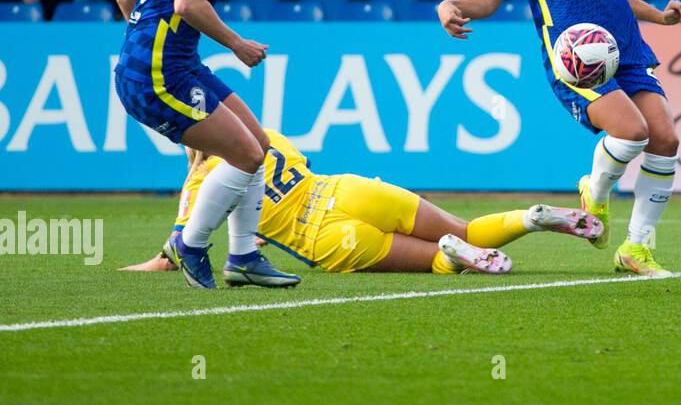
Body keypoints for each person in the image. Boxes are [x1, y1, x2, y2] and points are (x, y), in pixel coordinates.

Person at [437, 0, 681, 277]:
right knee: (632, 133)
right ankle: (594, 191)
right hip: (577, 57)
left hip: (625, 51)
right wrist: (450, 5)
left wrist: (660, 17)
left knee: (666, 139)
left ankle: (636, 248)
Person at [114, 0, 297, 290]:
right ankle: (189, 246)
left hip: (169, 66)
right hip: (160, 76)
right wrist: (238, 45)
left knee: (259, 146)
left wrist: (149, 44)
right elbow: (187, 5)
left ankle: (244, 258)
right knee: (248, 157)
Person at [121, 129, 603, 278]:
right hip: (345, 189)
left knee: (438, 258)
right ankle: (533, 217)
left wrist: (134, 269)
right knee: (472, 228)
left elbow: (175, 254)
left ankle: (453, 256)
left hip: (326, 238)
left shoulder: (200, 184)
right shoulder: (259, 135)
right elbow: (298, 163)